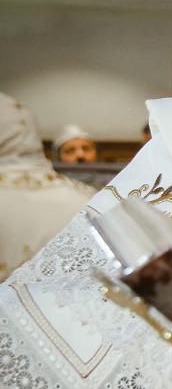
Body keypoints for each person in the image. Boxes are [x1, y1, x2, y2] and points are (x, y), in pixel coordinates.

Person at [0, 97, 96, 281]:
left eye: (86, 148)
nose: (80, 156)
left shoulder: (90, 196)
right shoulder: (86, 197)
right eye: (70, 150)